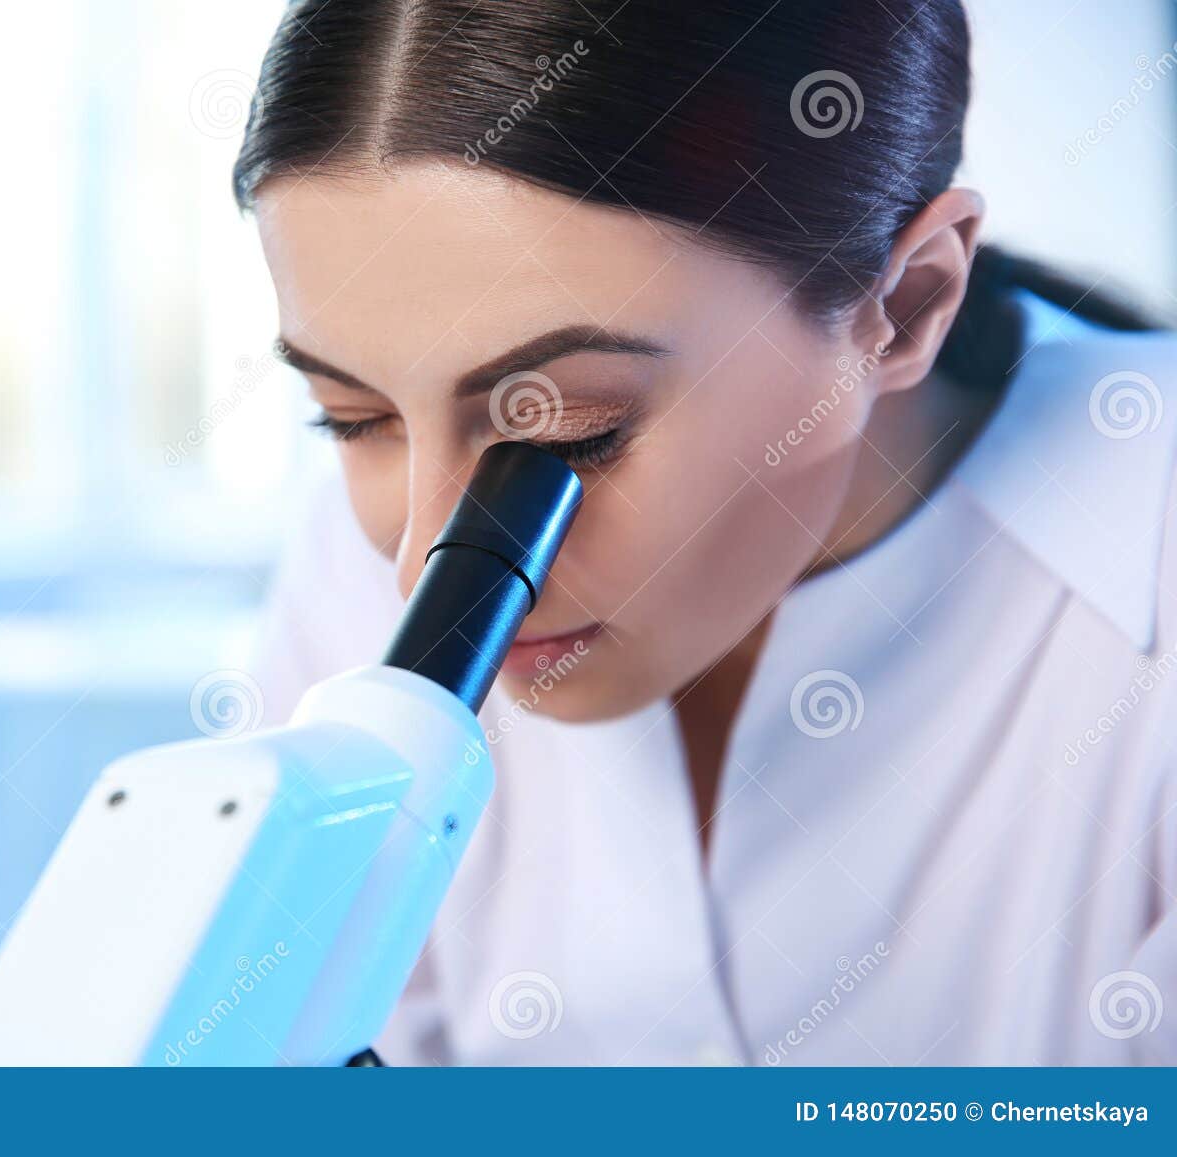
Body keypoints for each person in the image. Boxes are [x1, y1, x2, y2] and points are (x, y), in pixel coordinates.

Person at [238, 0, 1177, 1065]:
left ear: (906, 303)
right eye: (352, 418)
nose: (419, 560)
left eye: (576, 432)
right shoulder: (356, 549)